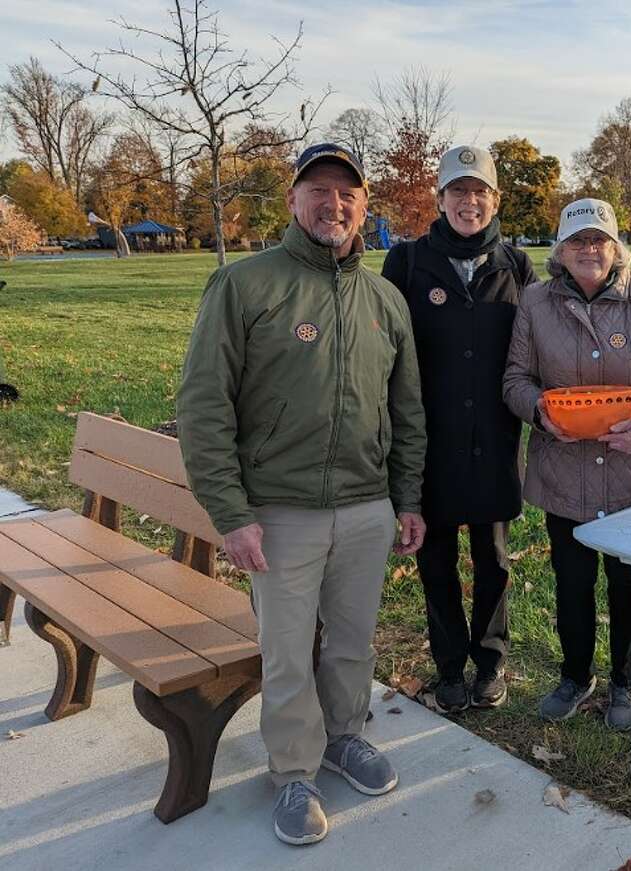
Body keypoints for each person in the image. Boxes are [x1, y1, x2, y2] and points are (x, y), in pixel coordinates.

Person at [177, 143, 426, 846]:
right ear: (292, 200)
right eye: (318, 189)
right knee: (287, 652)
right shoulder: (245, 285)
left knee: (351, 643)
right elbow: (203, 405)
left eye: (347, 193)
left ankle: (344, 736)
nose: (333, 204)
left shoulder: (385, 300)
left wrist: (407, 498)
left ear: (364, 206)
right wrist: (232, 513)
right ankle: (292, 769)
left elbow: (406, 410)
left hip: (366, 507)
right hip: (280, 511)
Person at [503, 198, 631, 730]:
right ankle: (575, 675)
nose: (589, 249)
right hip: (565, 475)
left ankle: (624, 681)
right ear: (561, 250)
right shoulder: (535, 302)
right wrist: (539, 411)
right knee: (572, 583)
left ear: (615, 248)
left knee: (627, 585)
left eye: (598, 240)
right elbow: (515, 379)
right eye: (578, 240)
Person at [381, 146, 536, 713]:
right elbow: (386, 347)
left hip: (494, 437)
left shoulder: (517, 266)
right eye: (458, 191)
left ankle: (490, 660)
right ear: (440, 198)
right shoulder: (408, 261)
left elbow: (536, 347)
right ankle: (449, 665)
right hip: (430, 439)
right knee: (435, 556)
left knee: (493, 556)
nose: (469, 202)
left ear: (495, 200)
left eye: (480, 192)